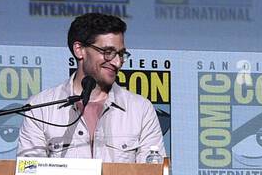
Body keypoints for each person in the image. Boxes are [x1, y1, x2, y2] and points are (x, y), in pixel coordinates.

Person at [16, 13, 165, 162]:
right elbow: (29, 172)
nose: (117, 62)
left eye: (120, 54)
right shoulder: (39, 108)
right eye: (108, 52)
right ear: (79, 50)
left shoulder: (140, 109)